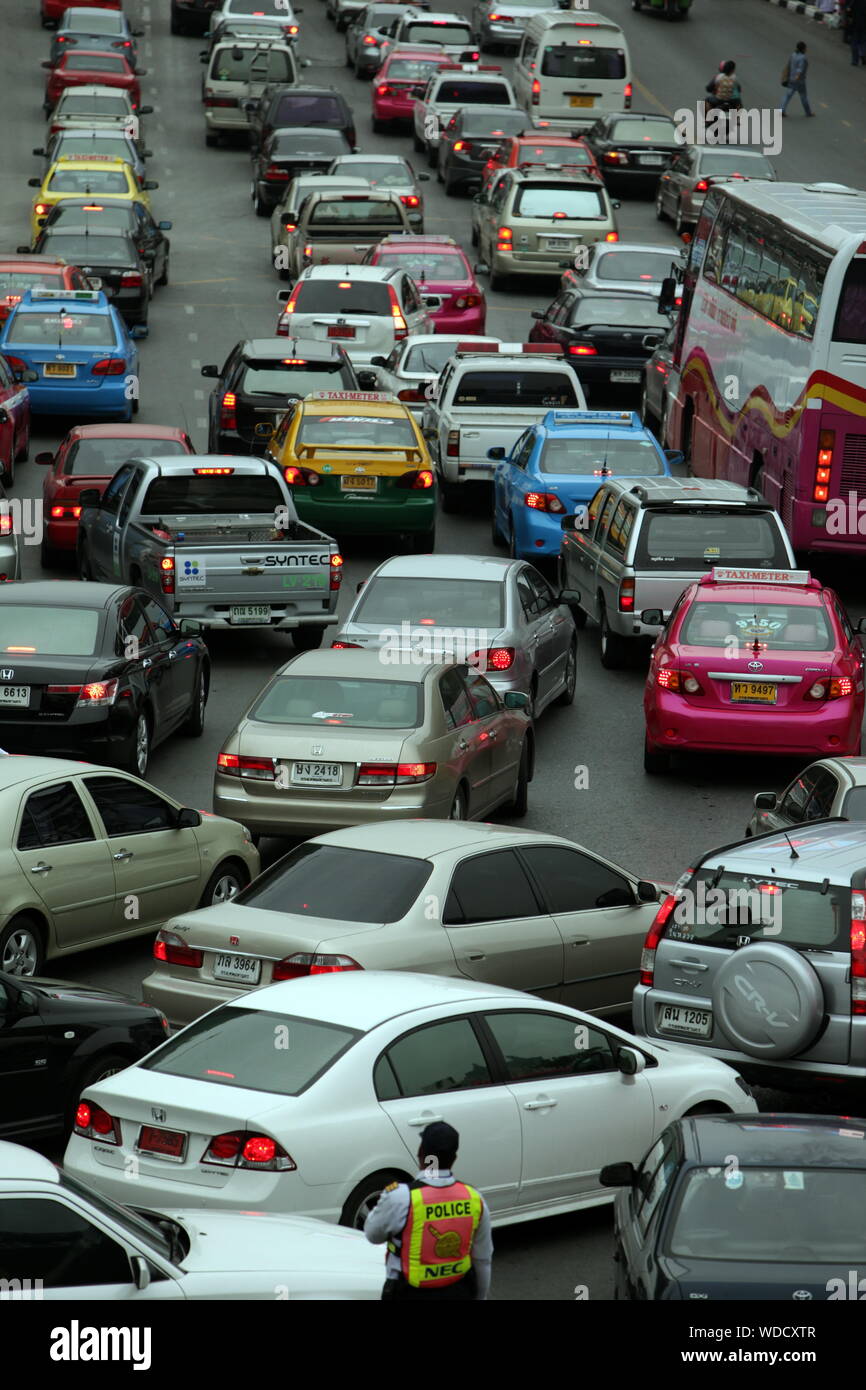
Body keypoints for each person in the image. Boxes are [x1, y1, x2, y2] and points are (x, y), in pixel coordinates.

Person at [364, 1121, 493, 1300]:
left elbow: (372, 1235)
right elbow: (483, 1260)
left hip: (409, 1293)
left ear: (420, 1153)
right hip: (459, 1291)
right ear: (454, 1158)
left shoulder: (400, 1197)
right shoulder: (474, 1198)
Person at [781, 41, 815, 115]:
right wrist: (797, 78)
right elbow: (800, 69)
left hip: (791, 79)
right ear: (803, 49)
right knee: (803, 96)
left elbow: (789, 65)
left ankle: (782, 110)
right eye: (805, 48)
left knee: (787, 95)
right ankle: (808, 112)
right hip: (799, 81)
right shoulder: (802, 58)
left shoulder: (793, 55)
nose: (806, 50)